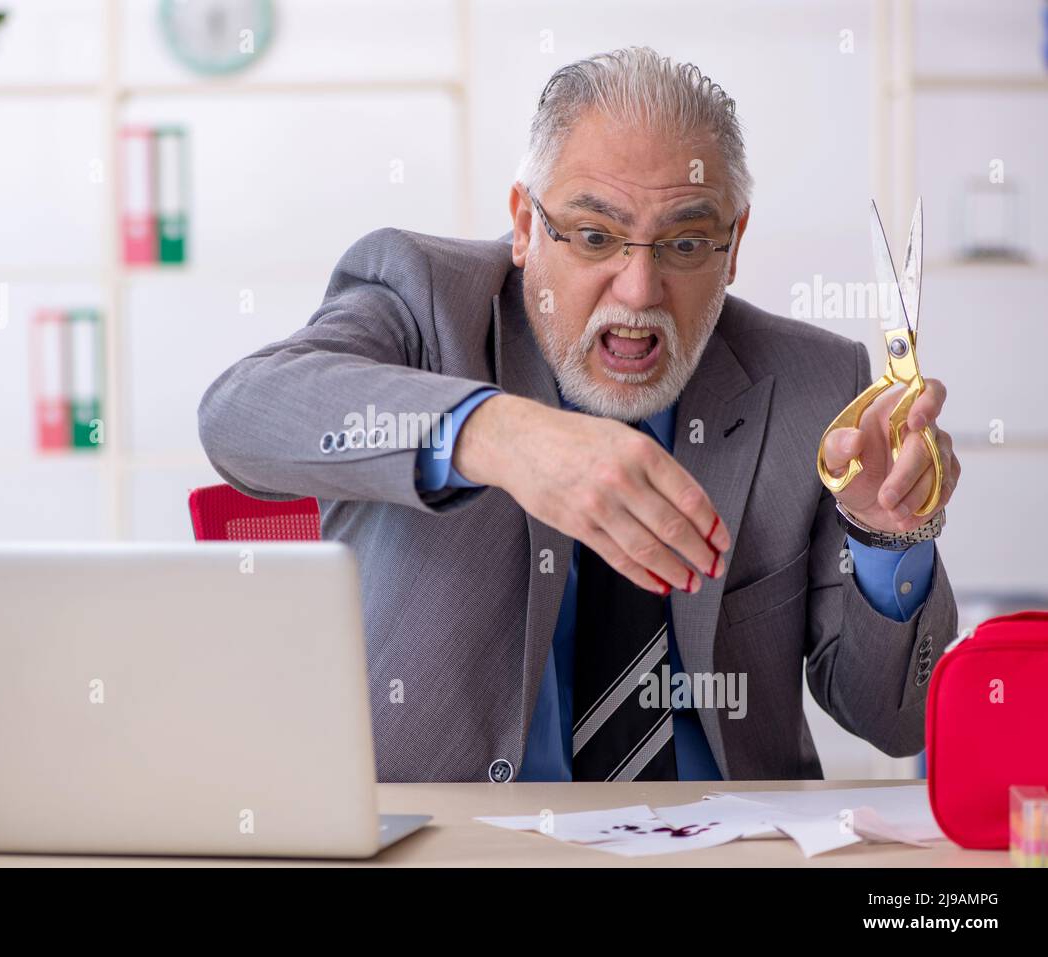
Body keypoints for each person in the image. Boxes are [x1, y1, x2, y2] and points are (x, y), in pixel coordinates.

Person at [198, 47, 959, 783]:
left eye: (687, 242)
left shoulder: (814, 385)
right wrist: (493, 433)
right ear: (525, 225)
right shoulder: (423, 300)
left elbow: (900, 723)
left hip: (726, 849)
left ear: (733, 247)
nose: (638, 289)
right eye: (595, 236)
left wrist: (890, 535)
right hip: (455, 846)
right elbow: (242, 412)